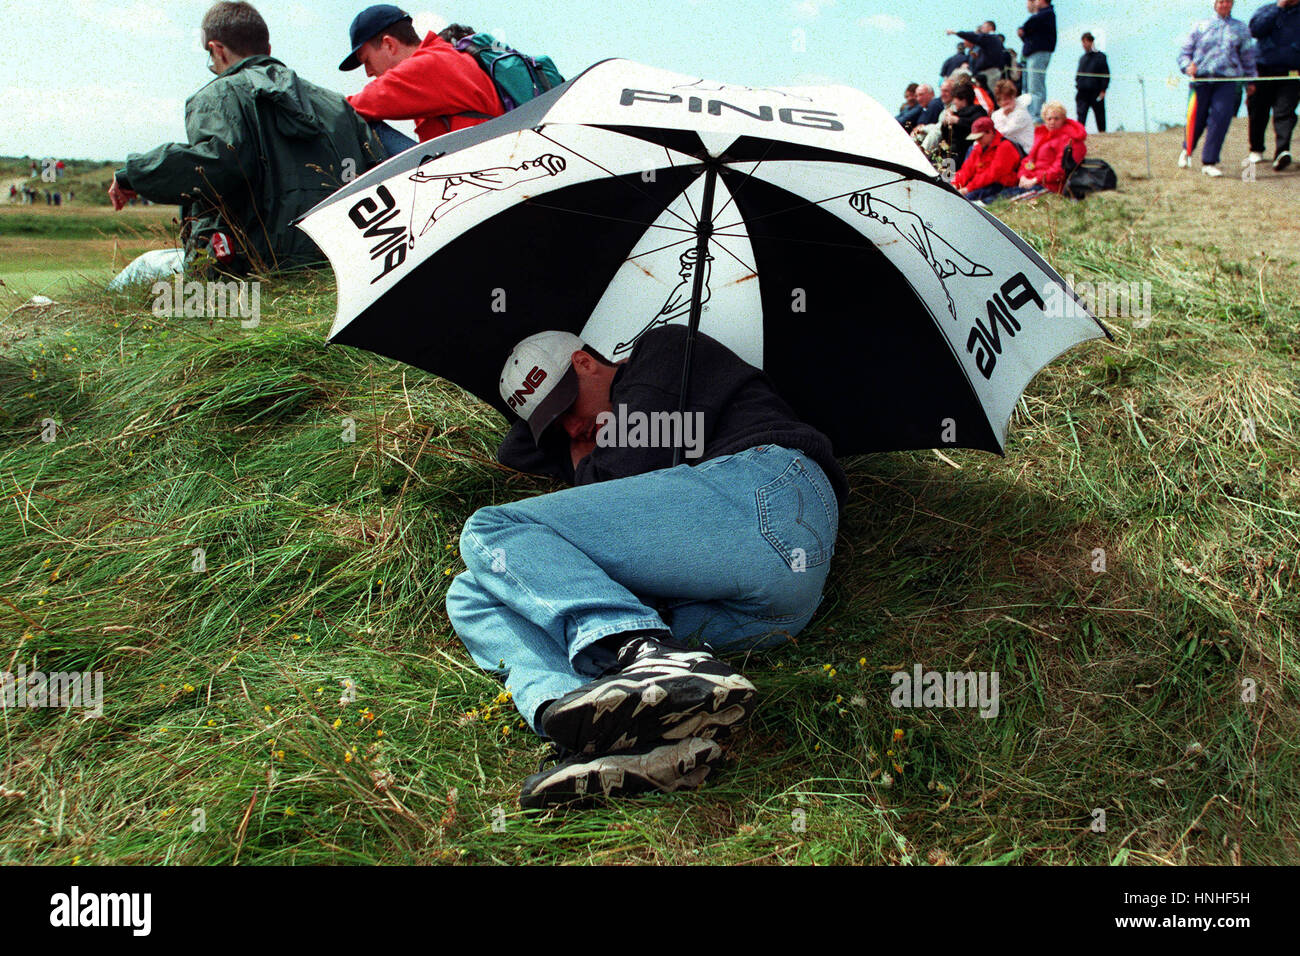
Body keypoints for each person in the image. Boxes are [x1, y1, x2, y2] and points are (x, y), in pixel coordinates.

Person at [446, 326, 848, 808]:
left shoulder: (665, 350)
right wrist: (571, 430)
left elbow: (629, 465)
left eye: (567, 407)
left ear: (586, 362)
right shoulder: (603, 424)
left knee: (491, 531)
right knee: (472, 592)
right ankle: (601, 734)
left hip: (767, 500)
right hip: (757, 610)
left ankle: (641, 648)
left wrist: (580, 461)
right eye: (554, 427)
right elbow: (514, 451)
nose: (573, 429)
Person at [108, 2, 384, 285]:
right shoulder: (337, 104)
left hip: (247, 269)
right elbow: (379, 173)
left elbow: (216, 164)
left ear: (218, 50)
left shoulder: (219, 94)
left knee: (140, 268)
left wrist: (132, 174)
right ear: (268, 51)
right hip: (340, 265)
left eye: (211, 58)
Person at [341, 4, 504, 143]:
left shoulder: (429, 66)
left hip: (487, 165)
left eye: (367, 61)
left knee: (359, 123)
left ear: (389, 44)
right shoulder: (441, 56)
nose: (368, 72)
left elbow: (347, 109)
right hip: (484, 162)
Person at [1178, 0, 1258, 177]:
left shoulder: (1241, 28)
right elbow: (1184, 53)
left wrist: (1251, 81)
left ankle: (1209, 161)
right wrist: (1187, 66)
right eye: (1221, 1)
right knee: (1197, 119)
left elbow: (1247, 57)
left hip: (1227, 80)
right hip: (1201, 79)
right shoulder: (1200, 26)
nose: (1224, 5)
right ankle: (1187, 150)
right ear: (1215, 3)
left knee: (1220, 118)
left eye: (1228, 1)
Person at [1247, 0, 1300, 171]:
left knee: (1286, 111)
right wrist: (1279, 8)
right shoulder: (1267, 10)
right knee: (1258, 110)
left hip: (1292, 71)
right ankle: (1256, 148)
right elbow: (1255, 30)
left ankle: (1282, 152)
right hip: (1263, 68)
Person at [1010, 100, 1087, 196]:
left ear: (1063, 119)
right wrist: (1023, 175)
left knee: (1005, 200)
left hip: (1051, 187)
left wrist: (1035, 180)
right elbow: (1030, 161)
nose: (1052, 122)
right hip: (1033, 182)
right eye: (1049, 119)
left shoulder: (1070, 139)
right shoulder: (1042, 136)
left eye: (1056, 118)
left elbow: (1060, 169)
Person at [953, 116, 1023, 202]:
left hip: (1000, 186)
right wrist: (954, 185)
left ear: (990, 132)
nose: (977, 141)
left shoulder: (1005, 146)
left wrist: (967, 188)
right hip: (981, 185)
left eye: (980, 137)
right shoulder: (979, 147)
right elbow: (966, 170)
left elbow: (992, 174)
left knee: (966, 200)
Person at [1018, 0, 1057, 123]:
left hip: (1039, 53)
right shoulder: (1041, 16)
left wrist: (1033, 12)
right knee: (1029, 88)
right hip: (1031, 54)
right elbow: (1026, 32)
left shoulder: (1047, 14)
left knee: (1036, 87)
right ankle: (1030, 116)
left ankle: (1037, 117)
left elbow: (1028, 26)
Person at [941, 82, 989, 165]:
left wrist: (958, 121)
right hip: (952, 153)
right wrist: (945, 124)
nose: (953, 102)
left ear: (963, 99)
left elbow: (975, 127)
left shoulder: (978, 111)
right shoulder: (956, 114)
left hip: (966, 152)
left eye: (955, 99)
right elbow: (946, 136)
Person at [950, 26, 1008, 92]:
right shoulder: (973, 51)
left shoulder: (988, 41)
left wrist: (956, 33)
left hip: (988, 74)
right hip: (979, 75)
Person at [1076, 32, 1111, 132]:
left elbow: (1105, 74)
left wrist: (1103, 90)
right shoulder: (1082, 59)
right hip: (1083, 92)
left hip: (1096, 91)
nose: (1083, 45)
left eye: (1085, 42)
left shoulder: (1101, 57)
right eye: (1082, 42)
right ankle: (1079, 134)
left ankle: (1102, 134)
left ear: (1091, 42)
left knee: (1100, 115)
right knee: (1081, 116)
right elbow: (1078, 75)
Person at [993, 78, 1036, 153]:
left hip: (1025, 151)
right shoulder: (996, 114)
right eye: (1003, 99)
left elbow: (1002, 134)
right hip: (1010, 149)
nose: (1006, 102)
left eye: (1009, 98)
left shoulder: (1022, 113)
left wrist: (1005, 115)